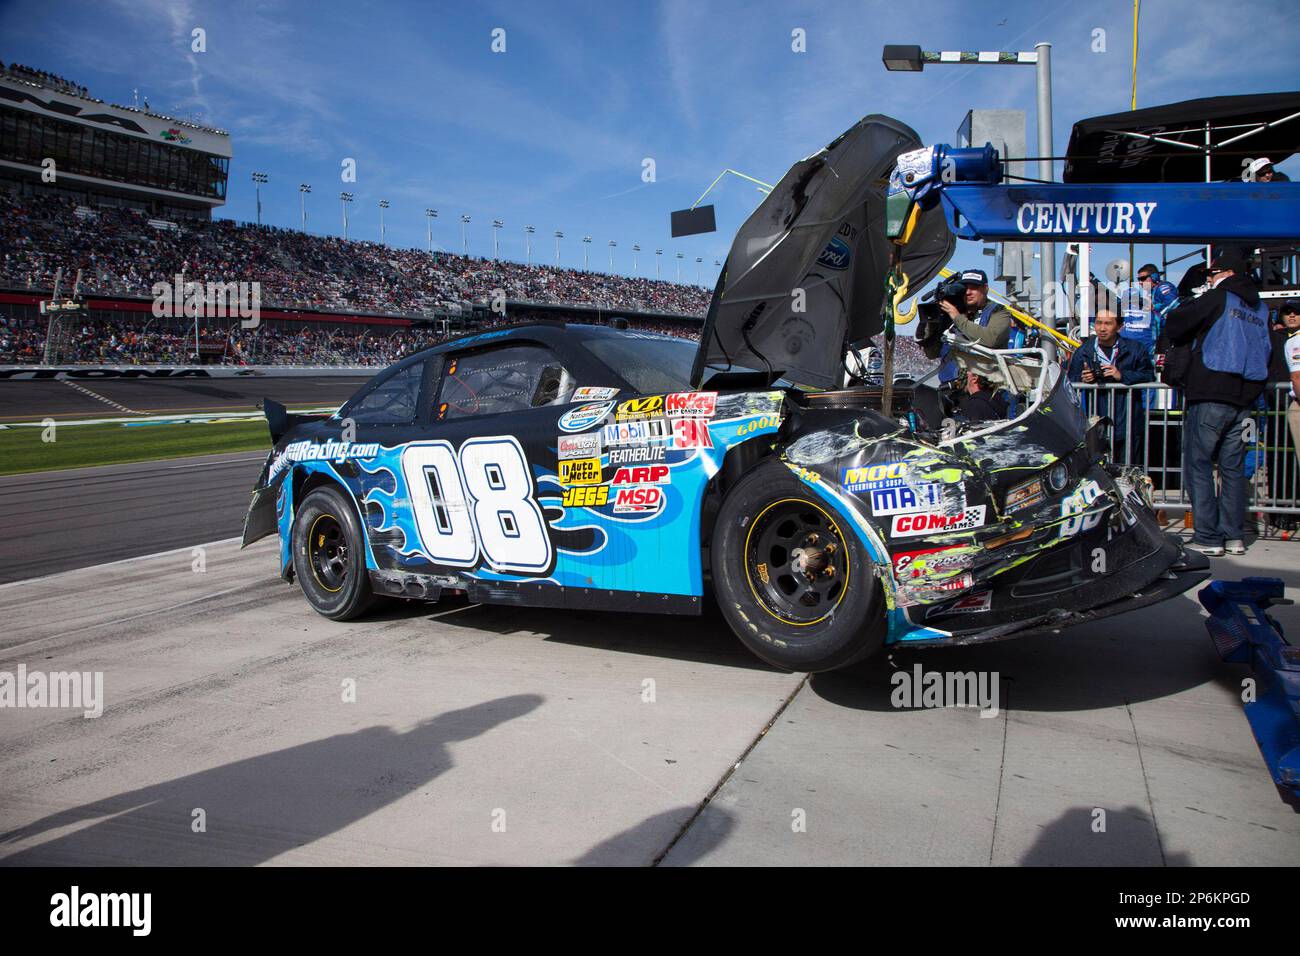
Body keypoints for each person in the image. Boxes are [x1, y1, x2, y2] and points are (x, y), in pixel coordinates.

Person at [1164, 251, 1272, 557]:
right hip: (1245, 396)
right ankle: (1234, 536)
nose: (1208, 279)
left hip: (1211, 390)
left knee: (1198, 465)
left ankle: (1208, 536)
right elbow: (1267, 351)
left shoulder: (1218, 298)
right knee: (1232, 469)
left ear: (1224, 274)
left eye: (1211, 275)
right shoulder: (1261, 309)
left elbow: (1175, 324)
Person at [1067, 306, 1155, 463]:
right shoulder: (1083, 351)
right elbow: (1070, 381)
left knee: (1128, 467)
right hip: (1096, 420)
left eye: (1108, 323)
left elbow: (1149, 375)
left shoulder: (1136, 349)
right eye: (1099, 323)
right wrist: (1083, 379)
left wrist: (1121, 375)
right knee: (1099, 469)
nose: (1102, 328)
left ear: (1120, 326)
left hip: (1128, 419)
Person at [937, 269, 1013, 350]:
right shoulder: (956, 311)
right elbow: (931, 353)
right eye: (964, 288)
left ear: (985, 288)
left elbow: (991, 339)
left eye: (973, 288)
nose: (968, 292)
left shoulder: (999, 311)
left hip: (987, 362)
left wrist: (957, 317)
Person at [1122, 264, 1178, 360]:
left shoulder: (1163, 287)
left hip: (1168, 331)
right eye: (1138, 279)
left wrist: (1155, 310)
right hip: (1160, 331)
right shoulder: (1151, 292)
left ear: (1154, 277)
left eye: (1143, 278)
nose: (1140, 282)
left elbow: (1174, 304)